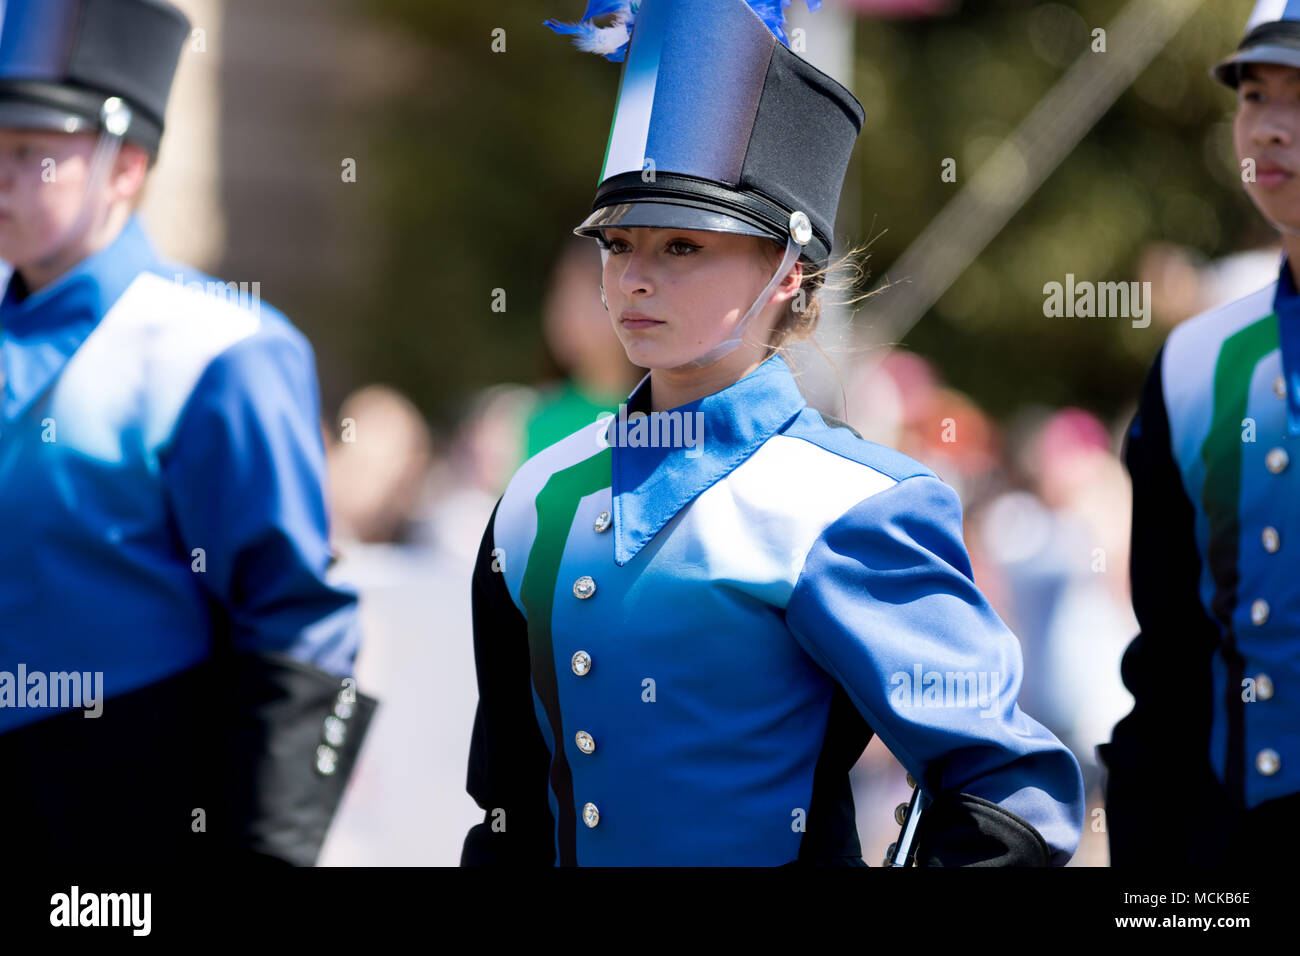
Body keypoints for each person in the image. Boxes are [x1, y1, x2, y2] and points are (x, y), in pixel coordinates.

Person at [460, 0, 1084, 867]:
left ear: (788, 272)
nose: (634, 279)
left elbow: (1010, 795)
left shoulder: (852, 504)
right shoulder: (535, 497)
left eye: (683, 247)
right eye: (617, 243)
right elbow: (507, 808)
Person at [0, 0, 374, 865]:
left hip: (133, 811)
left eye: (30, 154)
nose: (3, 179)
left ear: (124, 166)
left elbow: (297, 623)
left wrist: (269, 851)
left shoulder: (223, 347)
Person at [1099, 0, 1300, 866]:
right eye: (1255, 95)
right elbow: (1171, 668)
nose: (1270, 128)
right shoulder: (1196, 363)